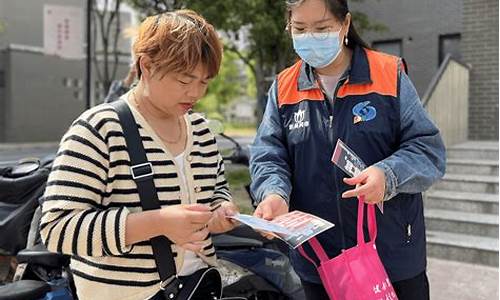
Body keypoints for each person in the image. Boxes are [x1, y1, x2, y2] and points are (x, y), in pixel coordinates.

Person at [249, 0, 446, 299]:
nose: (311, 37)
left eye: (322, 28)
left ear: (345, 24)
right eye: (300, 28)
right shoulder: (284, 87)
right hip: (319, 260)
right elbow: (269, 154)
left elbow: (428, 150)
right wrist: (274, 193)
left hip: (391, 258)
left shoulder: (388, 74)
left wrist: (388, 175)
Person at [40, 10, 239, 300]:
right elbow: (58, 229)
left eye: (204, 82)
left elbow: (215, 189)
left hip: (198, 286)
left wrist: (221, 211)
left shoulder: (201, 129)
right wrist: (158, 222)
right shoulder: (100, 129)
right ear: (146, 66)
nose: (195, 93)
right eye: (185, 81)